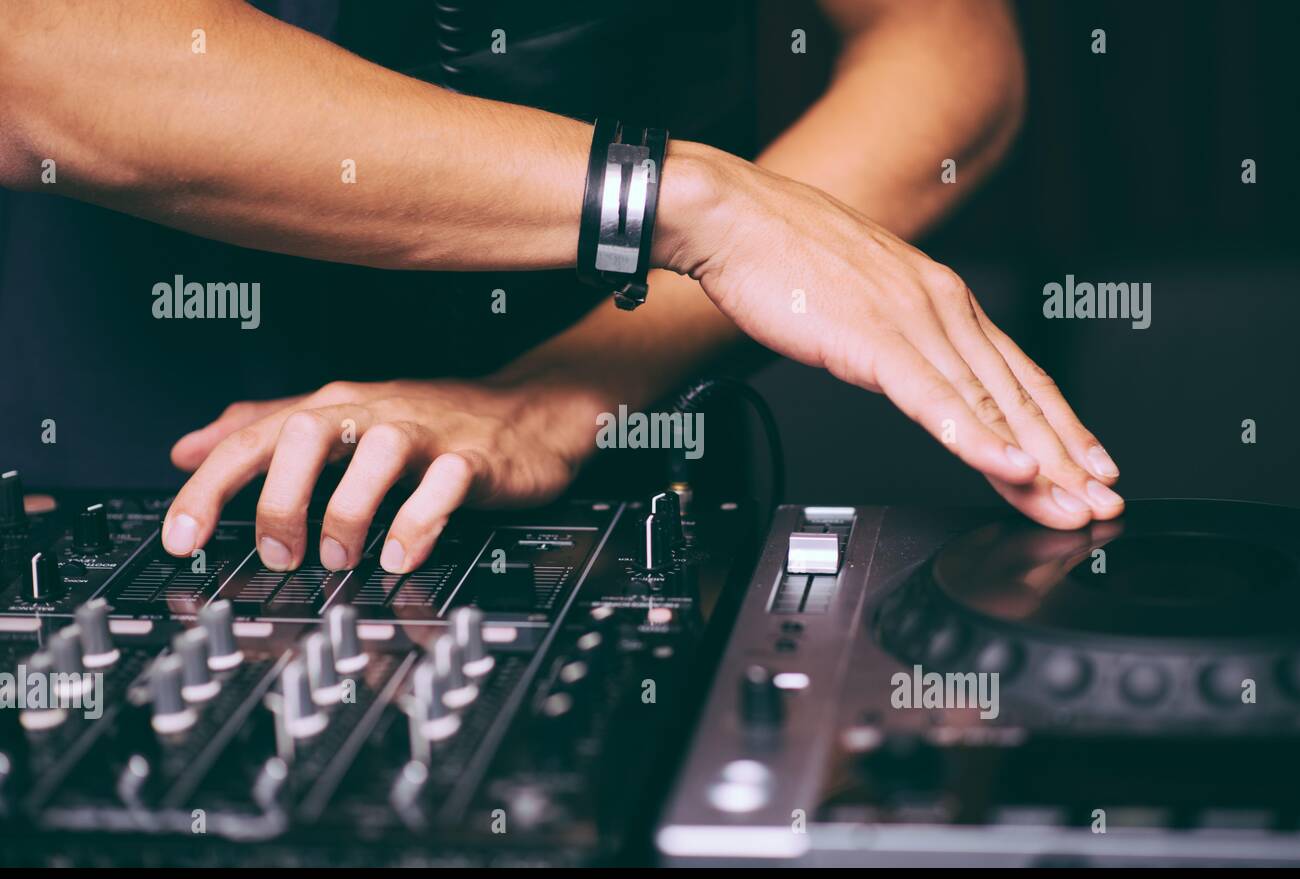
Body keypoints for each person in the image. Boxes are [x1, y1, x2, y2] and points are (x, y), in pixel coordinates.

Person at [0, 0, 1123, 578]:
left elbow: (945, 43)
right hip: (126, 458)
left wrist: (569, 391)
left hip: (615, 471)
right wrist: (697, 208)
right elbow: (44, 53)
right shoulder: (694, 206)